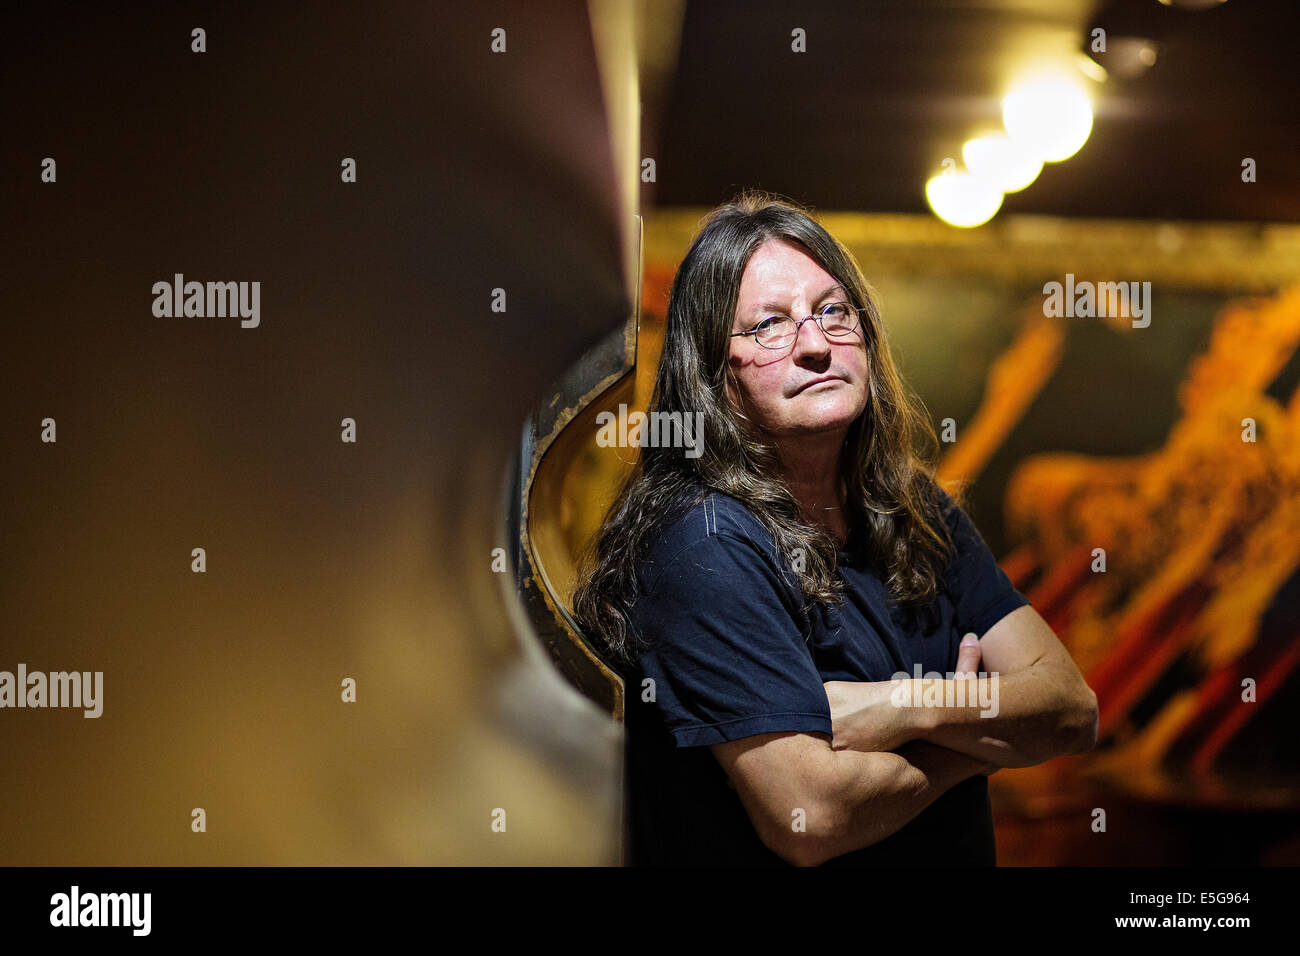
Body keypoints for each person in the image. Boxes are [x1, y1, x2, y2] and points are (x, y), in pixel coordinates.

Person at [571, 191, 1098, 866]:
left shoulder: (918, 508)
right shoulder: (701, 541)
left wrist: (907, 707)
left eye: (832, 312)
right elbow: (811, 817)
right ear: (711, 373)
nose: (816, 345)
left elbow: (1071, 709)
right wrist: (976, 741)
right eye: (769, 326)